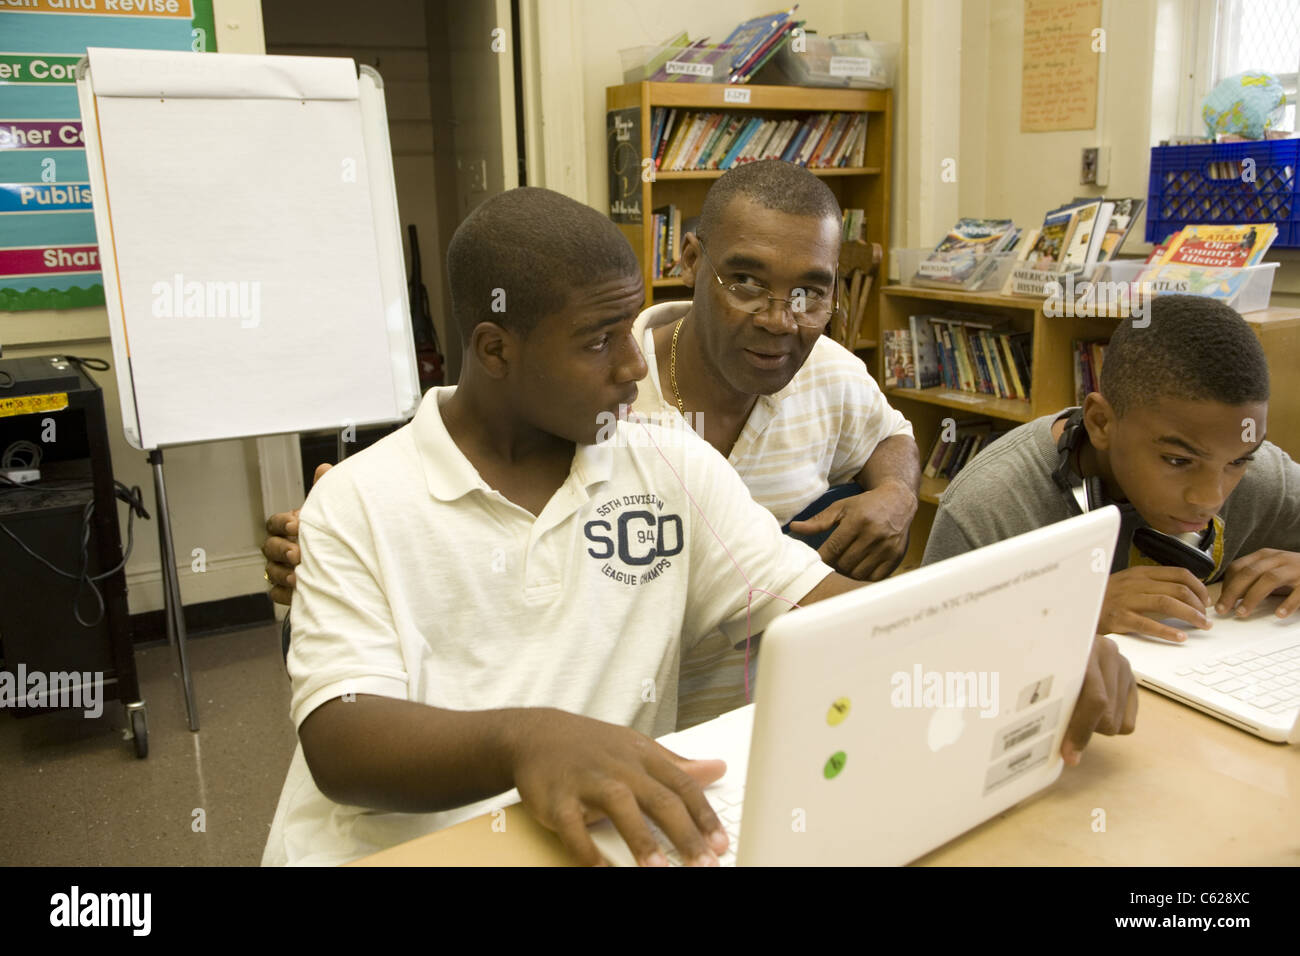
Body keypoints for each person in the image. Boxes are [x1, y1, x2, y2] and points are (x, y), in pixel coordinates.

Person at [262, 187, 1135, 867]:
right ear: (497, 351)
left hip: (596, 836)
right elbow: (341, 741)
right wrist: (525, 735)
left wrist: (1029, 650)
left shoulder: (668, 467)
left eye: (631, 326)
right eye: (600, 339)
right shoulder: (357, 500)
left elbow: (833, 614)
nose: (634, 363)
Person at [265, 160, 921, 729]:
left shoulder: (687, 446)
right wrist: (336, 552)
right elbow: (348, 732)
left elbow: (874, 468)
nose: (781, 319)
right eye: (747, 283)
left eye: (810, 292)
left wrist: (915, 535)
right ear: (691, 262)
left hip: (723, 748)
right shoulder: (598, 409)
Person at [923, 294, 1300, 645]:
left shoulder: (1262, 474)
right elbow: (929, 657)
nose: (1209, 499)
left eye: (1238, 460)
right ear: (1101, 422)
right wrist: (1066, 615)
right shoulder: (989, 505)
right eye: (1178, 461)